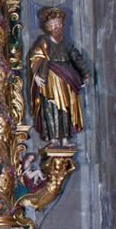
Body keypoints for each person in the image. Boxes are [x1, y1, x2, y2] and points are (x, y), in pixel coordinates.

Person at [28, 8, 89, 146]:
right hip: (49, 79)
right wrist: (36, 76)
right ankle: (53, 138)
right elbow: (35, 58)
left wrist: (85, 73)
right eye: (53, 25)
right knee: (50, 108)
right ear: (47, 27)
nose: (56, 28)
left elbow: (76, 58)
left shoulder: (66, 44)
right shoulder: (43, 42)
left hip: (66, 80)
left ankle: (65, 139)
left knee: (66, 109)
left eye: (58, 25)